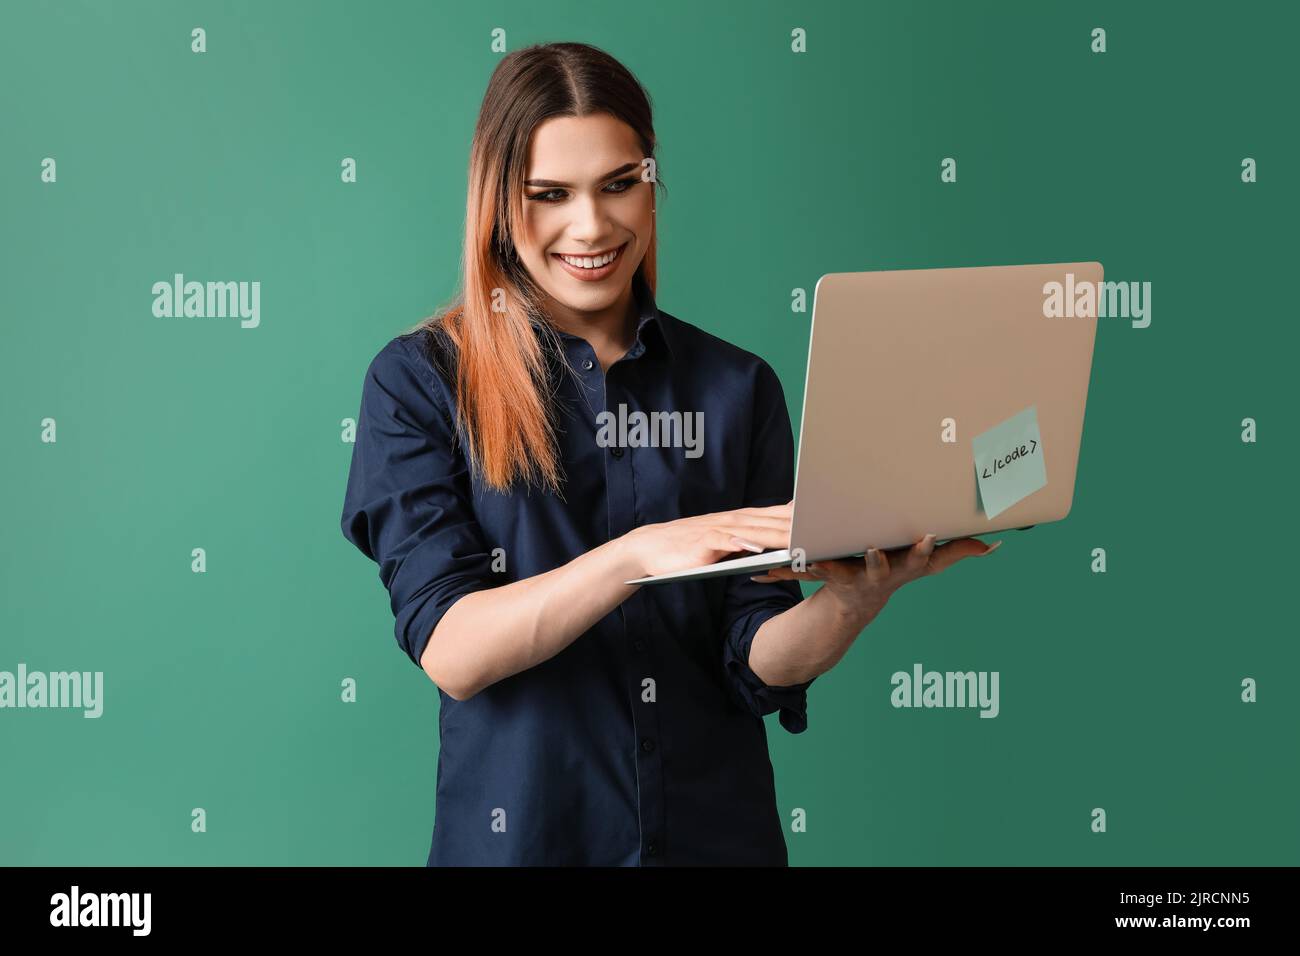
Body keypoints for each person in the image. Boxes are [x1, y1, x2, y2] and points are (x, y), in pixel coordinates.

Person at [339, 41, 999, 866]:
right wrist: (641, 554)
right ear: (499, 203)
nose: (592, 226)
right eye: (550, 195)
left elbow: (754, 657)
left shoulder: (737, 387)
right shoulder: (419, 383)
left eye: (620, 184)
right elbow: (454, 648)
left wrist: (856, 601)